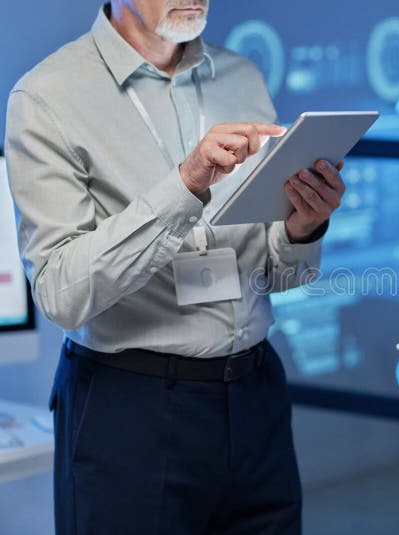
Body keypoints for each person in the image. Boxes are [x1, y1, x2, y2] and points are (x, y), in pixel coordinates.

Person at [4, 1, 345, 533]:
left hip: (256, 396)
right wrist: (185, 185)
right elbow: (61, 295)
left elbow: (281, 275)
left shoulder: (242, 76)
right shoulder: (47, 97)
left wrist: (303, 227)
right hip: (131, 409)